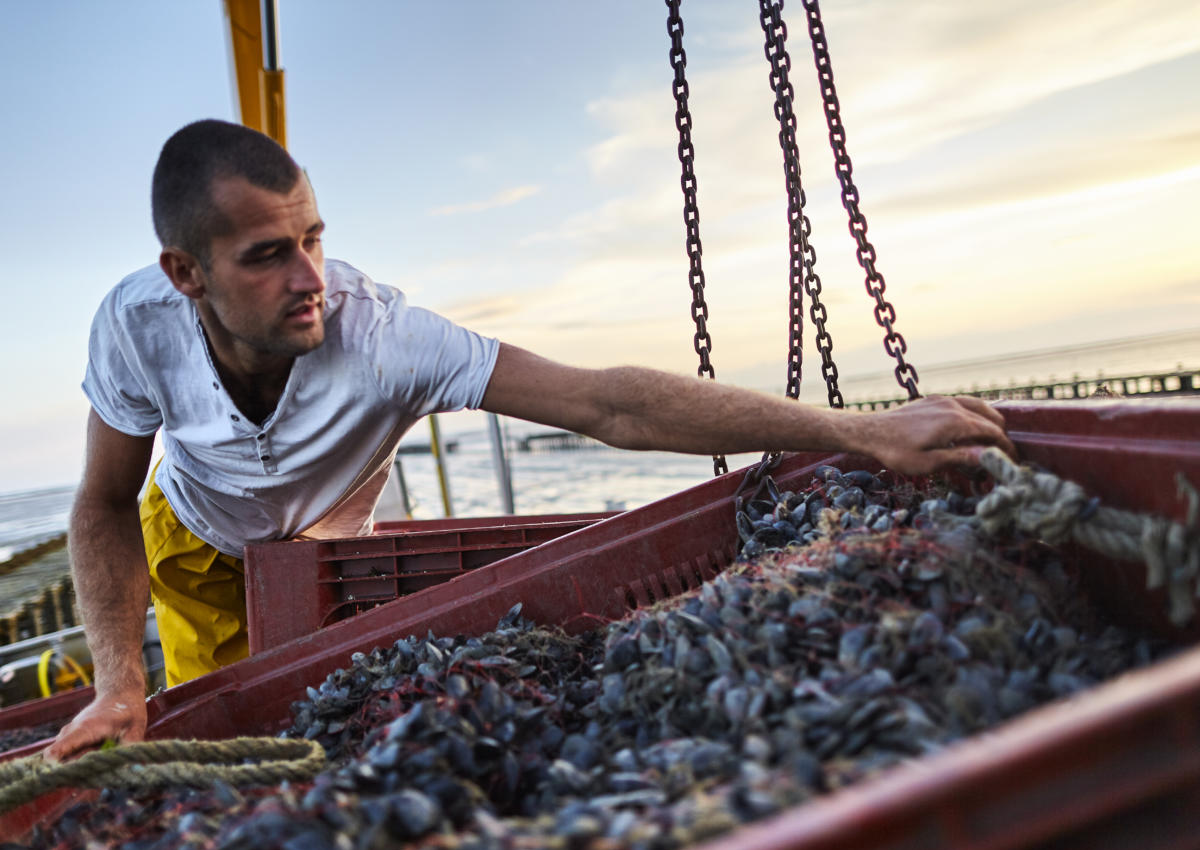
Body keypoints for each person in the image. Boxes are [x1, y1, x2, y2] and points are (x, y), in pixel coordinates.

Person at [47, 120, 1014, 761]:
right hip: (196, 540)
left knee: (340, 736)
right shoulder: (133, 325)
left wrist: (859, 432)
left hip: (328, 543)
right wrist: (121, 681)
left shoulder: (386, 341)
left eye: (314, 237)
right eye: (267, 255)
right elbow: (101, 503)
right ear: (185, 272)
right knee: (224, 743)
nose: (309, 276)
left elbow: (608, 406)